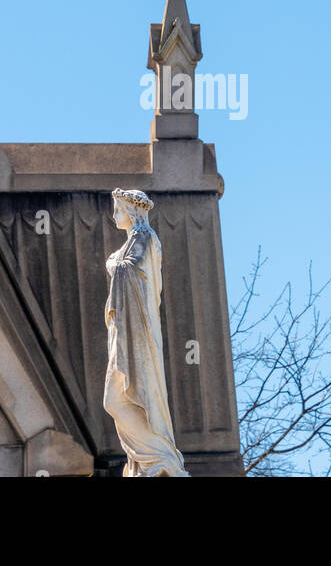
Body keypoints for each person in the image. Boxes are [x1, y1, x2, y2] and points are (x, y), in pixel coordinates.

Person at [103, 188, 189, 476]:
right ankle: (149, 459)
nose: (114, 215)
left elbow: (130, 269)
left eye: (117, 209)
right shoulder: (134, 240)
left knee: (118, 400)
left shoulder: (144, 237)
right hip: (124, 329)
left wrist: (113, 263)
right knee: (116, 400)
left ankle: (160, 457)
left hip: (137, 331)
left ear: (131, 211)